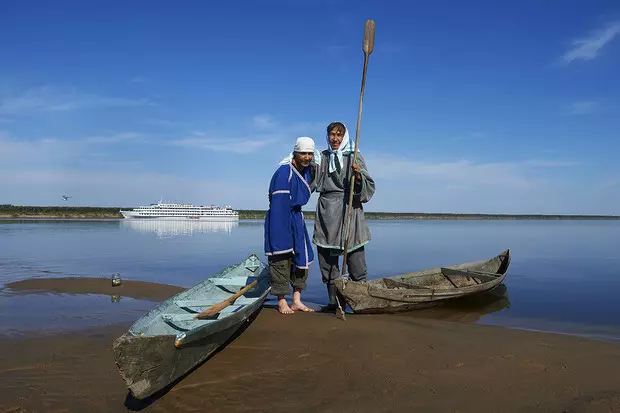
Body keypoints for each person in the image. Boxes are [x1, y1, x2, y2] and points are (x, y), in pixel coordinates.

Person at [312, 121, 376, 311]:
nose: (335, 138)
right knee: (328, 262)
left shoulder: (355, 156)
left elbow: (368, 187)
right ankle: (334, 302)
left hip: (350, 211)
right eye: (332, 134)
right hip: (327, 214)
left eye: (339, 135)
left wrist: (358, 177)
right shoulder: (322, 157)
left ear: (344, 136)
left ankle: (361, 301)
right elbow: (311, 179)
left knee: (356, 260)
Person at [264, 136, 317, 314]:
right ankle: (281, 301)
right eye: (303, 153)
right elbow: (278, 202)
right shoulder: (284, 172)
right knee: (281, 257)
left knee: (301, 258)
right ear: (295, 152)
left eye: (310, 153)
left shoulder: (307, 171)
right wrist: (280, 229)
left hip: (296, 218)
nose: (307, 157)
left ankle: (296, 300)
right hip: (281, 217)